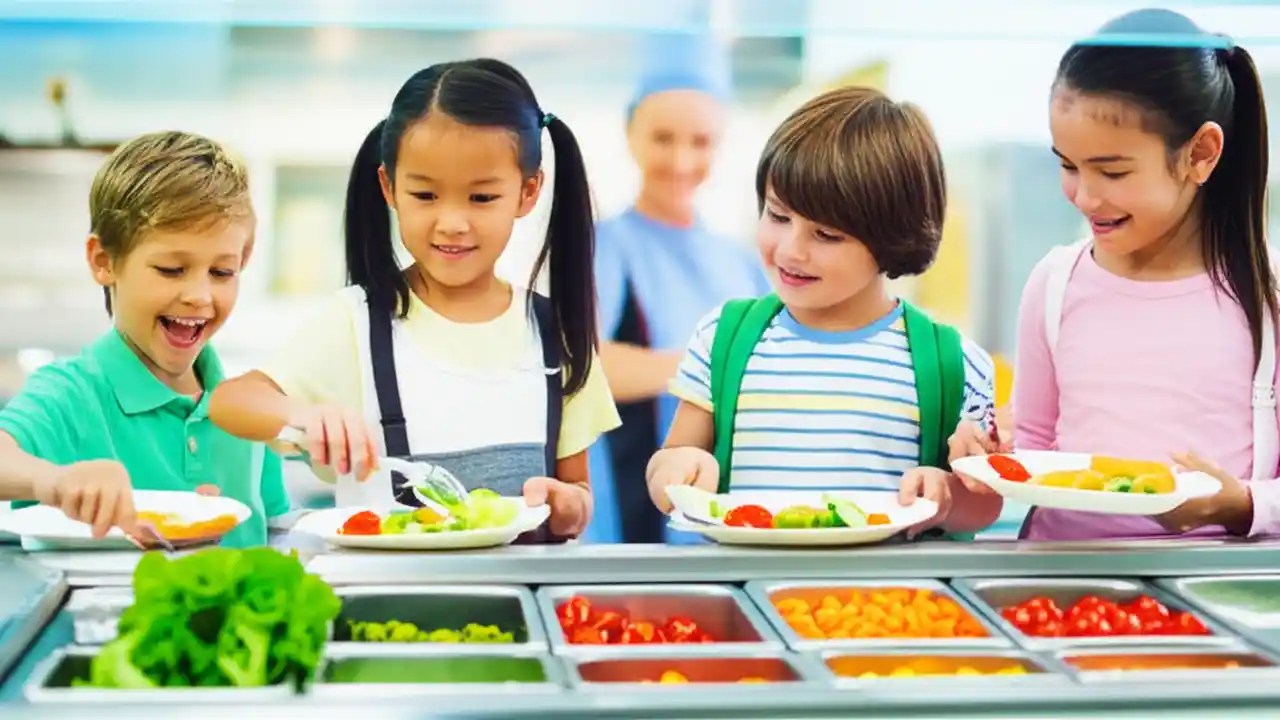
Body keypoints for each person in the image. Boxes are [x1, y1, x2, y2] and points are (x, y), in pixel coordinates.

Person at [209, 59, 620, 541]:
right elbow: (230, 401)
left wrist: (569, 507)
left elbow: (577, 491)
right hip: (385, 602)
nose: (451, 222)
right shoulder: (356, 323)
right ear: (388, 187)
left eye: (482, 198)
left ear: (528, 192)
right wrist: (301, 414)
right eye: (425, 195)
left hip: (526, 603)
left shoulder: (556, 332)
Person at [950, 9, 1280, 540]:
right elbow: (1035, 450)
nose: (1085, 196)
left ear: (1200, 154)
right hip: (1059, 581)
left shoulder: (1267, 296)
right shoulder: (1055, 283)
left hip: (1209, 585)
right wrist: (991, 457)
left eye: (1112, 171)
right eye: (1068, 165)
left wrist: (1240, 504)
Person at [644, 86, 1002, 538]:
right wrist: (677, 468)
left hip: (883, 603)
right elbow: (667, 464)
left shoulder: (953, 362)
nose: (791, 250)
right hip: (749, 595)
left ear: (893, 239)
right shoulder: (723, 337)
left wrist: (948, 497)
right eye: (778, 216)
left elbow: (985, 507)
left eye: (826, 235)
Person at [0, 130, 288, 547]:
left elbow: (279, 536)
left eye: (222, 272)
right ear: (103, 262)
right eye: (172, 269)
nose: (199, 296)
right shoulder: (71, 394)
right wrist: (56, 482)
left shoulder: (244, 414)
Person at [587, 33, 769, 544]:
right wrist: (714, 369)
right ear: (630, 134)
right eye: (663, 138)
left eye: (701, 142)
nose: (682, 161)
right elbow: (584, 366)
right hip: (637, 513)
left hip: (729, 513)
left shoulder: (744, 259)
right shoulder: (603, 246)